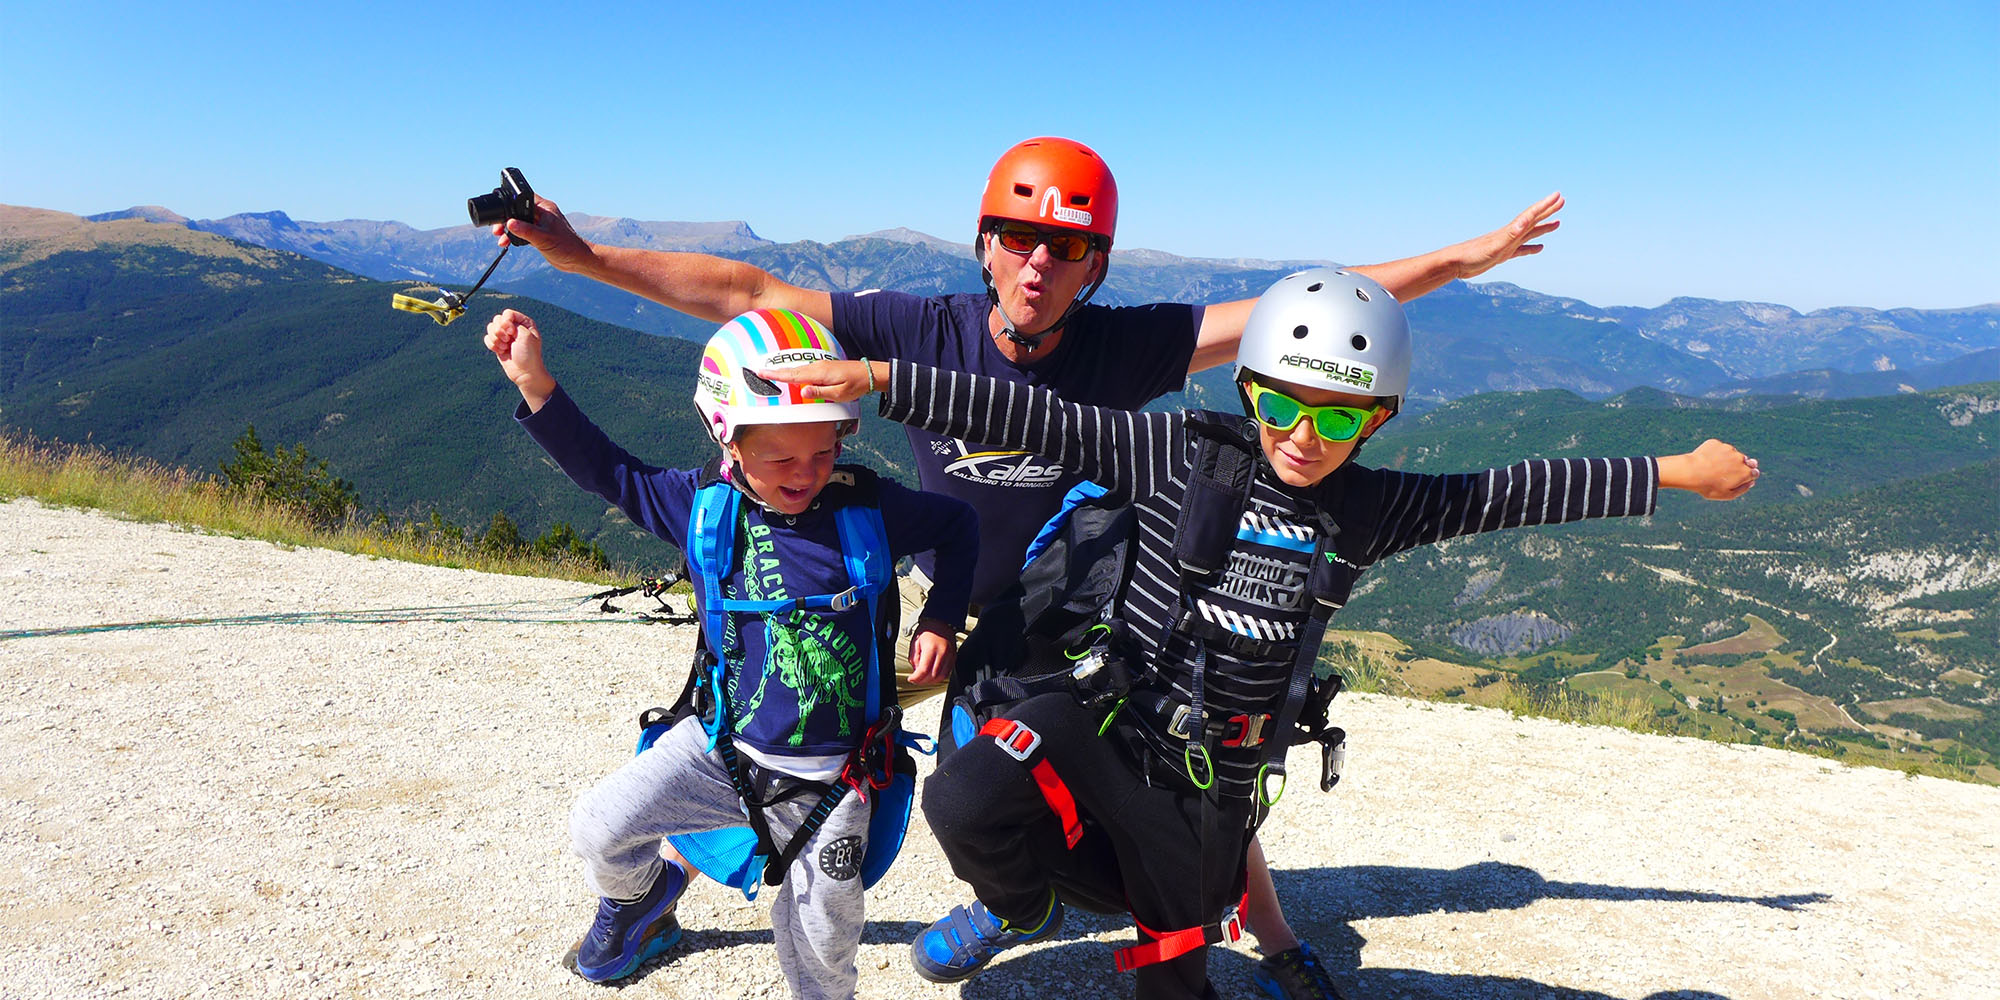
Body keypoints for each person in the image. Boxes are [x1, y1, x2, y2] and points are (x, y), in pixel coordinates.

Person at [495, 136, 1563, 996]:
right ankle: (697, 887)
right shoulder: (919, 327)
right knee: (814, 737)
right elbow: (737, 284)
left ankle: (1131, 912)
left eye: (1063, 247)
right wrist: (578, 255)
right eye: (1014, 238)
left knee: (1116, 771)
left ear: (1094, 263)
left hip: (1070, 613)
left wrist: (1461, 260)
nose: (1036, 264)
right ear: (985, 245)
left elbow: (1307, 311)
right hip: (953, 599)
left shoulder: (1126, 346)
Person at [765, 266, 1760, 1000]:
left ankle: (1166, 927)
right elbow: (1034, 414)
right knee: (964, 793)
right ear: (1247, 389)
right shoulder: (1175, 453)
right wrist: (878, 380)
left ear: (1377, 420)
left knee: (1175, 983)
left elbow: (1509, 492)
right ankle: (1019, 909)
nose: (1302, 434)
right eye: (1281, 402)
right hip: (1101, 721)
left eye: (1337, 418)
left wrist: (1674, 471)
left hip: (1203, 793)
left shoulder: (1370, 510)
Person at [483, 305, 977, 998]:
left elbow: (959, 526)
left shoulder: (868, 511)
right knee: (599, 827)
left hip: (837, 780)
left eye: (825, 449)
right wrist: (536, 384)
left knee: (825, 947)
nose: (806, 472)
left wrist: (942, 619)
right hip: (722, 749)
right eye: (780, 456)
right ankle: (640, 902)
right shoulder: (703, 507)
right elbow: (608, 472)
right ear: (730, 442)